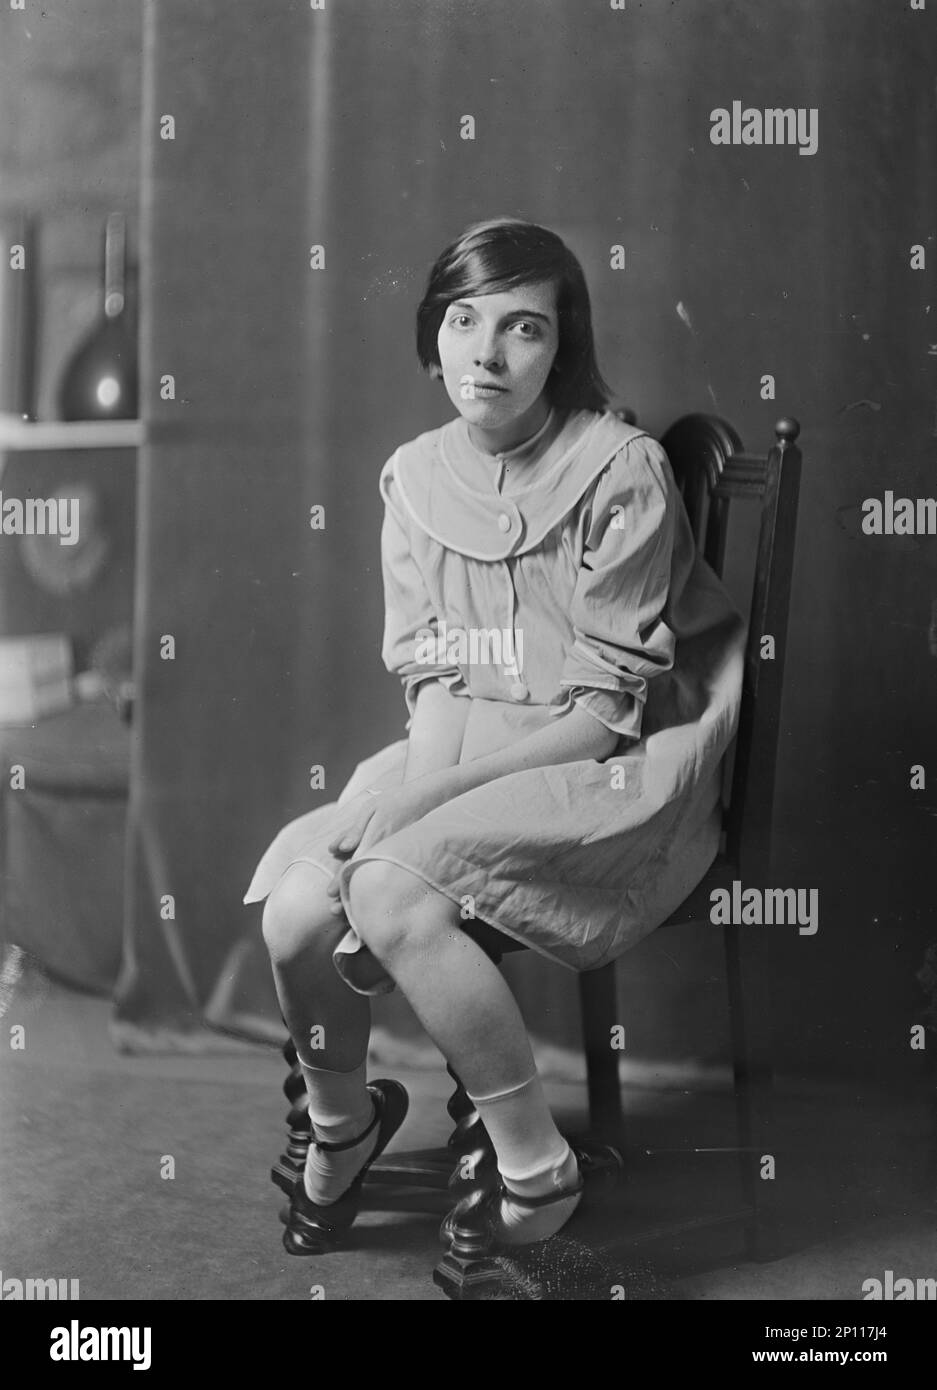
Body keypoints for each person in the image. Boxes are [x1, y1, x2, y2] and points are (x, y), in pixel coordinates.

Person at [245, 216, 745, 1252]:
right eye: (463, 322)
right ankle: (344, 1124)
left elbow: (601, 714)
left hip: (608, 761)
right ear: (433, 335)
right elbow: (434, 678)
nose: (486, 353)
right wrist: (408, 797)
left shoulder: (622, 469)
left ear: (563, 346)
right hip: (467, 738)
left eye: (523, 328)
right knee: (298, 903)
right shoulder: (416, 476)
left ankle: (536, 1163)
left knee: (385, 883)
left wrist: (411, 818)